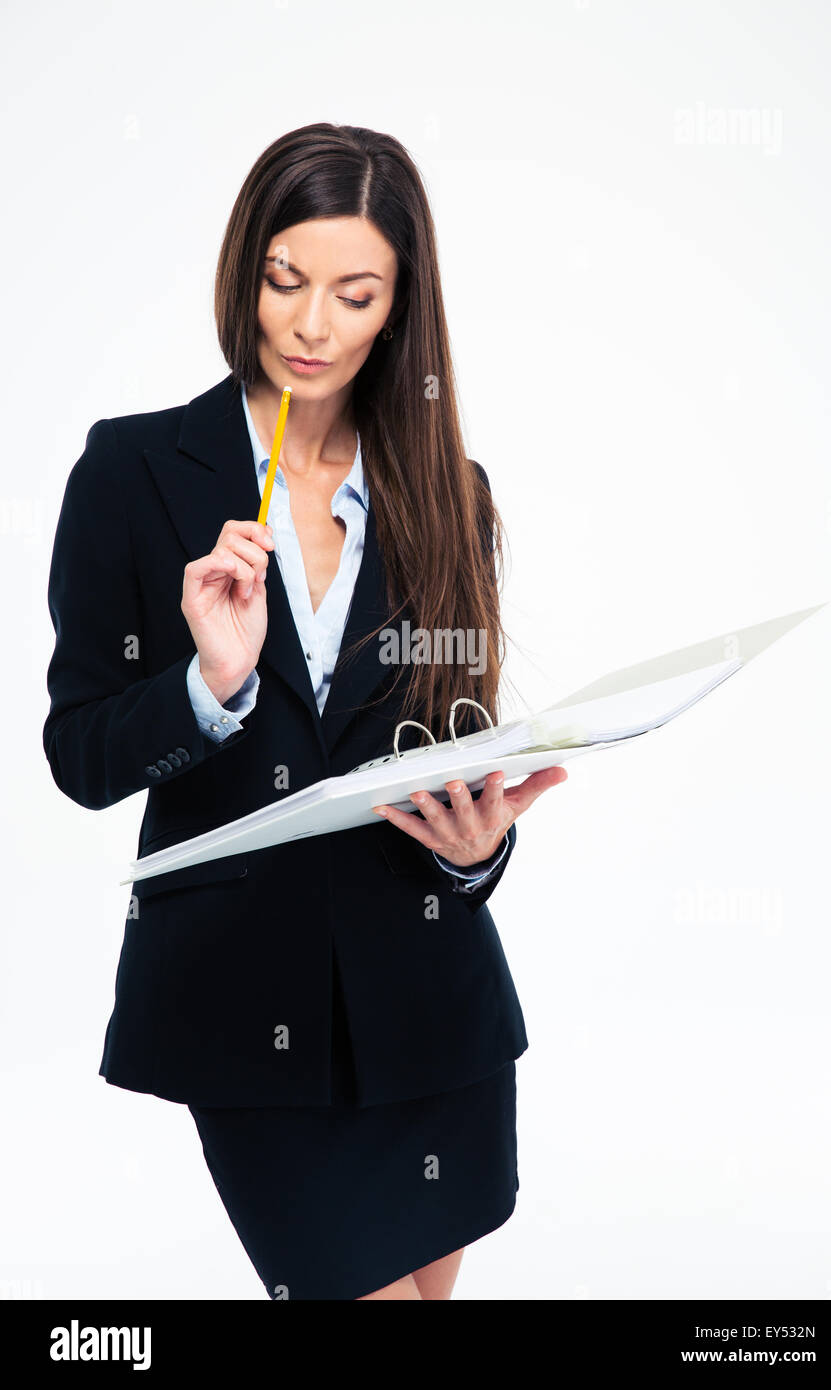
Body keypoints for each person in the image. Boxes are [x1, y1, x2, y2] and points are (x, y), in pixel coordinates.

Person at [43, 123, 566, 1301]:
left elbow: (452, 754)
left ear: (400, 307)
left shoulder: (449, 494)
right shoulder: (130, 473)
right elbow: (78, 754)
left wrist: (482, 851)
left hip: (432, 1019)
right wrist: (206, 686)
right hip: (242, 1018)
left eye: (355, 292)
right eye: (286, 281)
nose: (312, 325)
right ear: (246, 272)